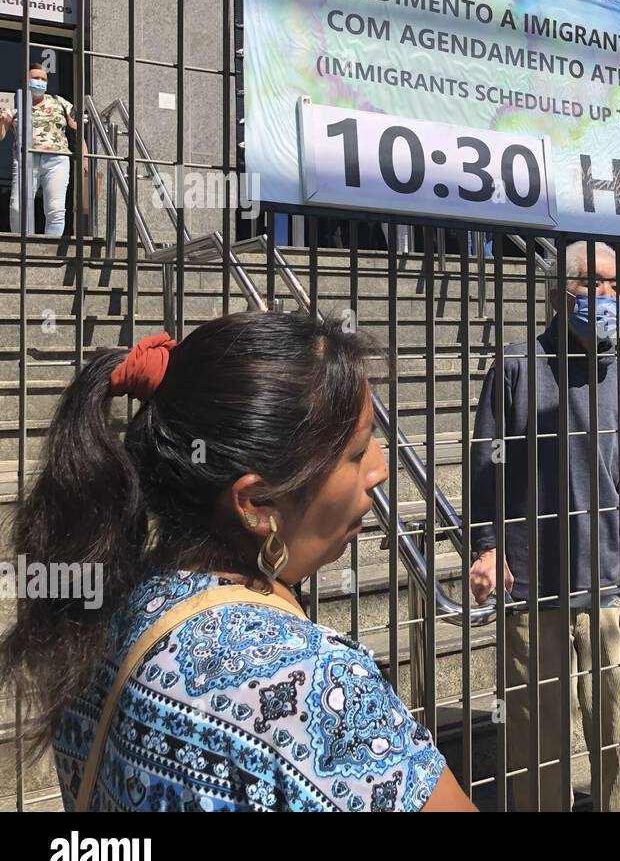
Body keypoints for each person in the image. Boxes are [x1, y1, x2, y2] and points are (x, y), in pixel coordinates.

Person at [0, 311, 474, 811]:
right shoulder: (308, 683)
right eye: (356, 453)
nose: (379, 469)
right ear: (257, 504)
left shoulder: (97, 621)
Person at [468, 240, 620, 812]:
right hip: (531, 582)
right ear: (555, 294)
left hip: (605, 579)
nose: (605, 296)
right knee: (537, 740)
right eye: (591, 283)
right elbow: (484, 465)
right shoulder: (518, 369)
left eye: (613, 286)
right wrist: (486, 547)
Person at [0, 63, 87, 238]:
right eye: (35, 78)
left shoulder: (60, 102)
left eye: (43, 79)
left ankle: (50, 250)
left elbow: (78, 130)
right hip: (26, 160)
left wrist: (85, 157)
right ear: (25, 81)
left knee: (55, 209)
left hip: (57, 160)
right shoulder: (15, 103)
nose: (40, 82)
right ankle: (22, 245)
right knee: (18, 207)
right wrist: (3, 122)